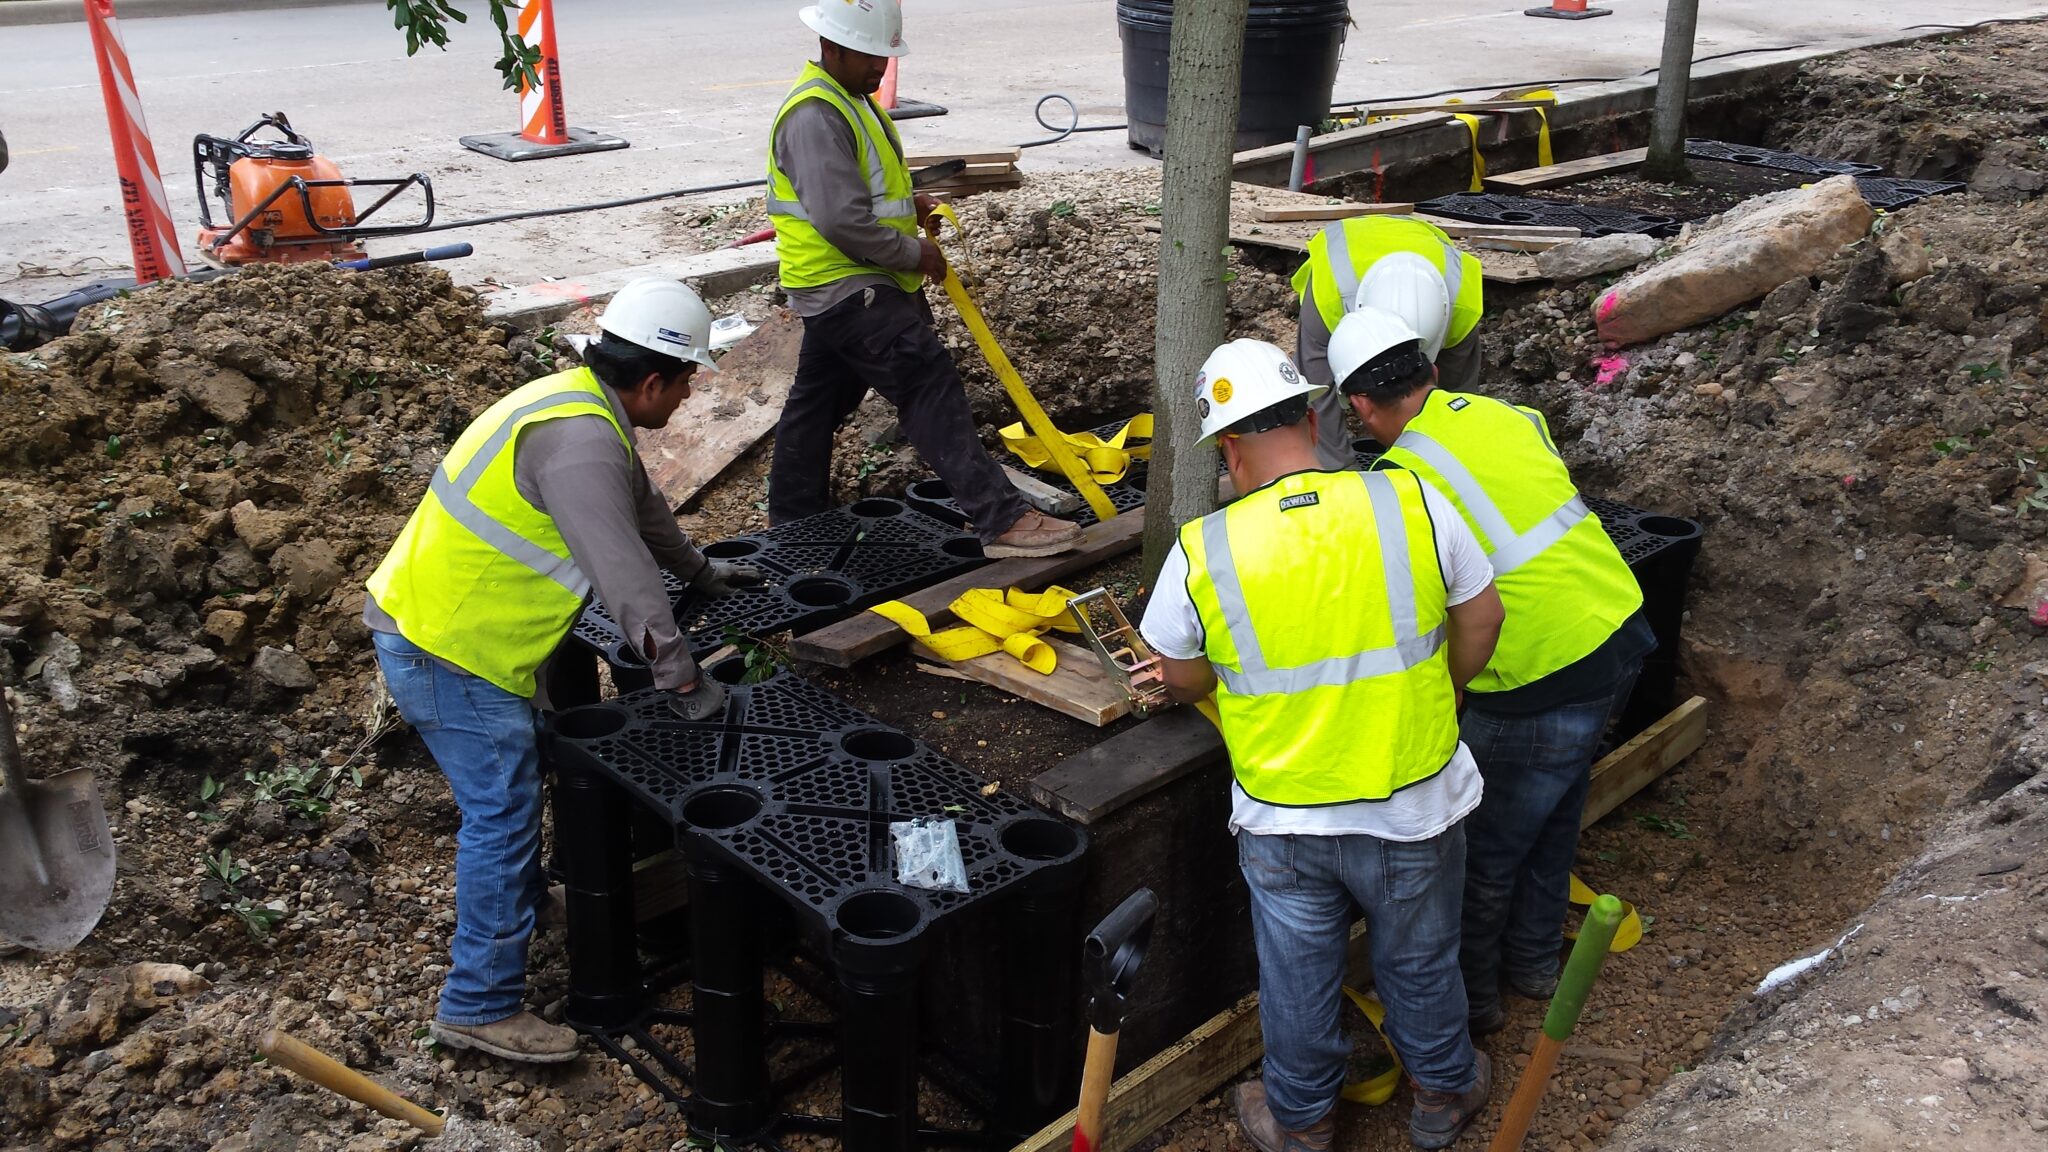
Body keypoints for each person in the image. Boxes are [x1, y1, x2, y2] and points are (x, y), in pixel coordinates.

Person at [362, 278, 763, 1064]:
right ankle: (478, 1005)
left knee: (508, 795)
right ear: (653, 382)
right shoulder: (581, 446)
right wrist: (683, 678)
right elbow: (625, 577)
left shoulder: (577, 405)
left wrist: (702, 571)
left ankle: (519, 905)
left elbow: (644, 511)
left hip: (449, 633)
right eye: (688, 380)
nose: (690, 396)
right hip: (448, 650)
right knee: (502, 812)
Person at [1139, 339, 1504, 1151]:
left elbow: (1182, 678)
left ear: (1229, 450)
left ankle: (1302, 1123)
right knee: (1420, 957)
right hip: (1414, 798)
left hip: (1286, 816)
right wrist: (1440, 691)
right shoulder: (1408, 499)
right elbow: (1483, 617)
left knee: (1297, 977)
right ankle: (1442, 1094)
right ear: (1312, 419)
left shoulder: (1204, 549)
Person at [1329, 307, 1657, 1036]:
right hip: (1617, 628)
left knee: (1483, 853)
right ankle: (1534, 965)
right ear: (1432, 370)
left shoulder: (1403, 480)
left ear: (1359, 405)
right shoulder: (1508, 415)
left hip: (1538, 674)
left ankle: (1475, 1008)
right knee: (1553, 820)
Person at [764, 1, 1081, 558]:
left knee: (815, 405)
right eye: (869, 55)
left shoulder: (848, 99)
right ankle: (1001, 518)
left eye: (884, 56)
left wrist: (909, 202)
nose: (880, 67)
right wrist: (914, 254)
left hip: (841, 285)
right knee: (928, 384)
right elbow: (840, 221)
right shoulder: (815, 115)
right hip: (849, 285)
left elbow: (856, 189)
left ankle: (792, 523)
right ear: (831, 47)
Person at [1292, 216, 1485, 471]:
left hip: (1422, 242)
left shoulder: (1462, 309)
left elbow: (1458, 403)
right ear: (1362, 404)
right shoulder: (1327, 305)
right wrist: (1342, 475)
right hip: (1345, 254)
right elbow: (1318, 395)